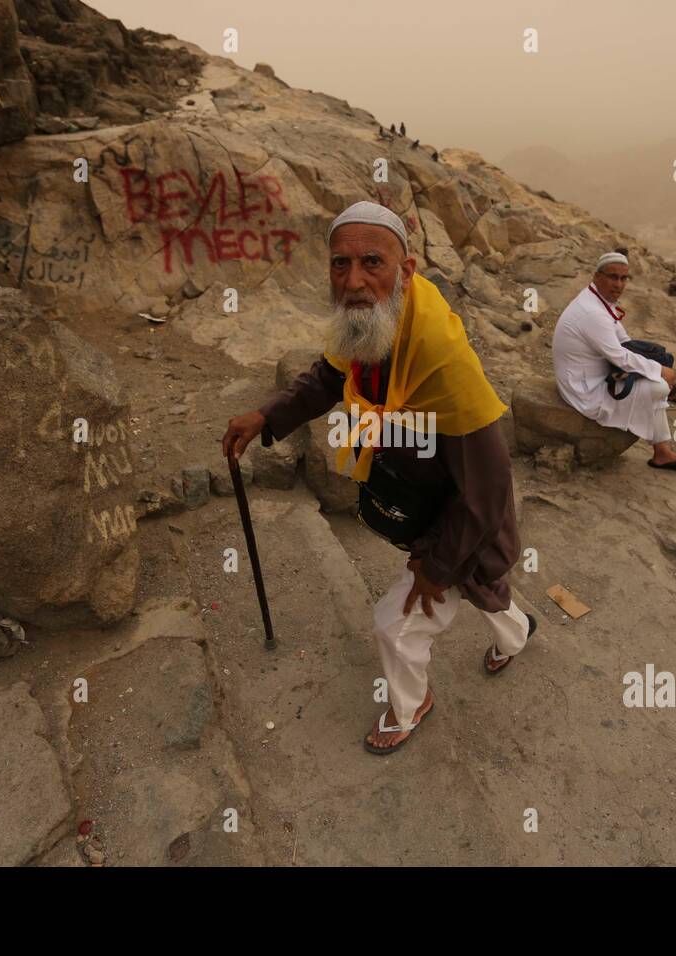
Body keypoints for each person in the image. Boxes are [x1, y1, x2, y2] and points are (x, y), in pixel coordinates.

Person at [221, 201, 535, 755]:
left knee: (397, 621)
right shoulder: (371, 323)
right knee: (483, 592)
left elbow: (487, 491)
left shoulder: (439, 355)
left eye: (372, 262)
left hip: (458, 525)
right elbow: (328, 375)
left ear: (407, 270)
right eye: (340, 265)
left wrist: (434, 567)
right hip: (420, 502)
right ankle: (518, 633)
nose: (354, 281)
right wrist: (267, 417)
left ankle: (409, 708)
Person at [551, 252, 676, 472]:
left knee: (656, 381)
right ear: (597, 276)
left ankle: (662, 453)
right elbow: (619, 356)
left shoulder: (599, 301)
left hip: (596, 375)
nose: (618, 284)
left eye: (623, 278)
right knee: (657, 386)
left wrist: (656, 371)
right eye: (612, 277)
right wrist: (659, 372)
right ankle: (662, 452)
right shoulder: (592, 312)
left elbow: (625, 343)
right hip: (584, 388)